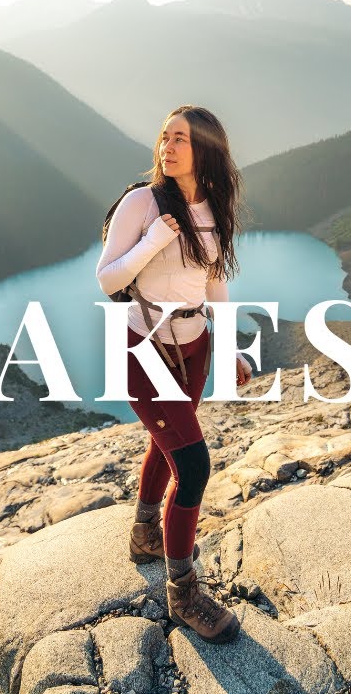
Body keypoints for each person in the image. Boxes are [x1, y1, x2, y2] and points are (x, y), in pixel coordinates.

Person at [94, 105, 252, 644]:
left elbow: (213, 281)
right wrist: (153, 241)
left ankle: (145, 534)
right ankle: (183, 593)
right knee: (194, 465)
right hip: (144, 347)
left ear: (204, 149)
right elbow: (107, 278)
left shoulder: (213, 206)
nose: (168, 146)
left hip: (195, 346)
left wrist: (228, 346)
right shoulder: (142, 202)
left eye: (180, 138)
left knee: (168, 446)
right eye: (165, 137)